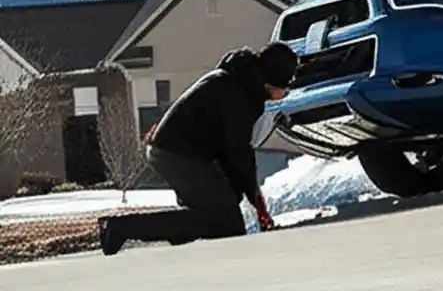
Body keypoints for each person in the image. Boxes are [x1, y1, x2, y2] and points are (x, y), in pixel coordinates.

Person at [98, 42, 298, 255]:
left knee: (217, 219)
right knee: (225, 223)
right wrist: (255, 199)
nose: (285, 92)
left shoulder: (238, 81)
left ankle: (165, 237)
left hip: (178, 151)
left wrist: (240, 194)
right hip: (177, 153)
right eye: (286, 86)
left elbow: (228, 152)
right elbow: (237, 152)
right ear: (272, 81)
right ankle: (120, 228)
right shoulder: (237, 93)